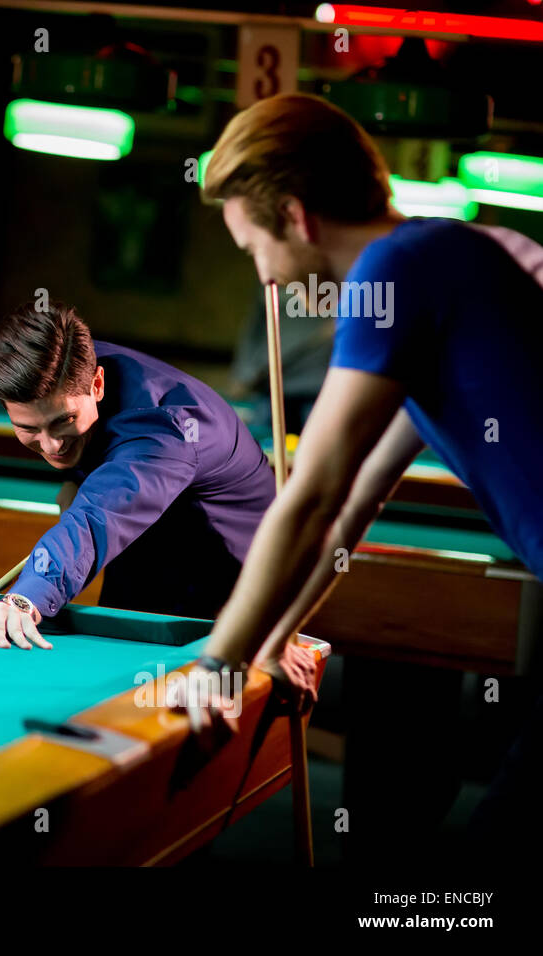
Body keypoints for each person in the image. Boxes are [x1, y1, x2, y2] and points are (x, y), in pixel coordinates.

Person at [193, 92, 543, 853]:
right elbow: (352, 504)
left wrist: (215, 663)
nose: (265, 276)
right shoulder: (432, 257)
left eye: (253, 248)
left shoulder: (397, 271)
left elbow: (312, 496)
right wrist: (271, 644)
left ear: (295, 215)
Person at [0, 299, 276, 649]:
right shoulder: (63, 365)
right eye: (29, 428)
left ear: (97, 385)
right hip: (148, 548)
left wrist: (22, 600)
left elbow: (94, 522)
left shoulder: (165, 428)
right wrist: (76, 477)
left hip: (232, 582)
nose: (51, 446)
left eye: (64, 421)